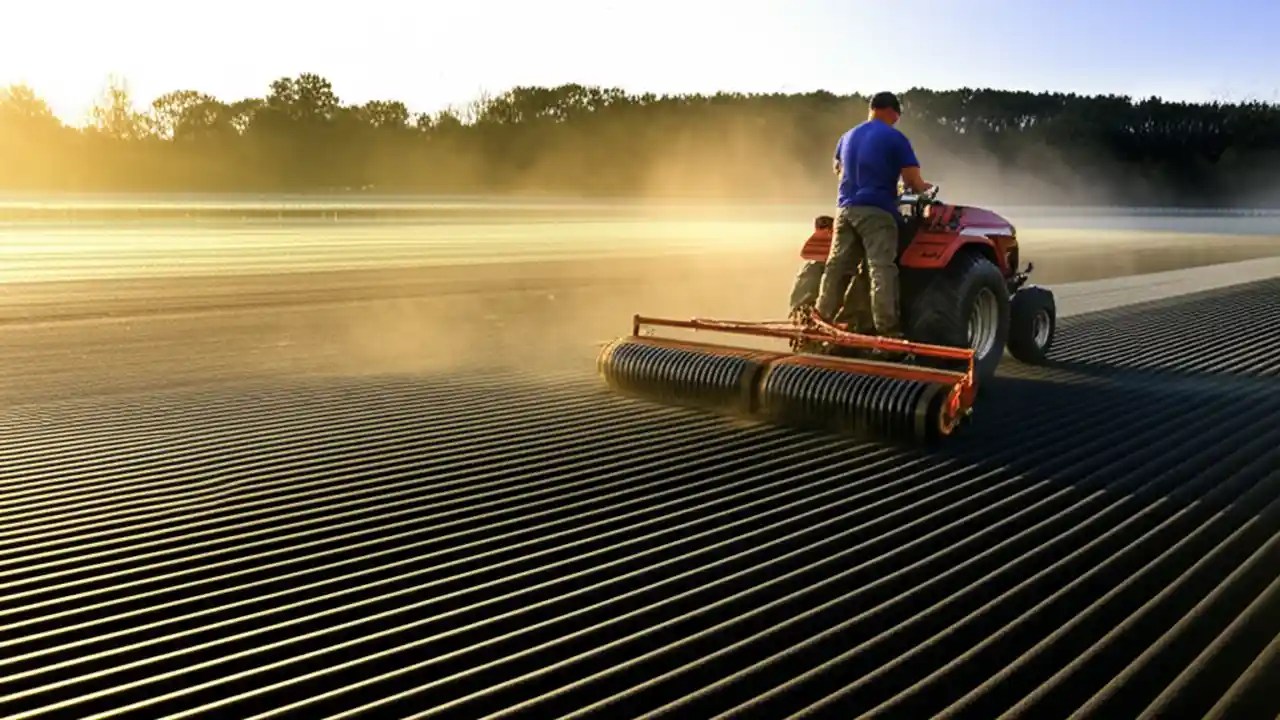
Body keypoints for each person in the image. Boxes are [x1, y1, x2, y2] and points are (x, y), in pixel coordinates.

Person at [813, 91, 933, 338]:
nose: (896, 121)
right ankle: (888, 332)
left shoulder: (846, 137)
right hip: (877, 211)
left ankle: (820, 320)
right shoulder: (895, 138)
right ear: (892, 111)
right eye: (897, 116)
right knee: (881, 269)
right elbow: (912, 180)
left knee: (836, 267)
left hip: (845, 209)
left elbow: (838, 169)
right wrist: (927, 189)